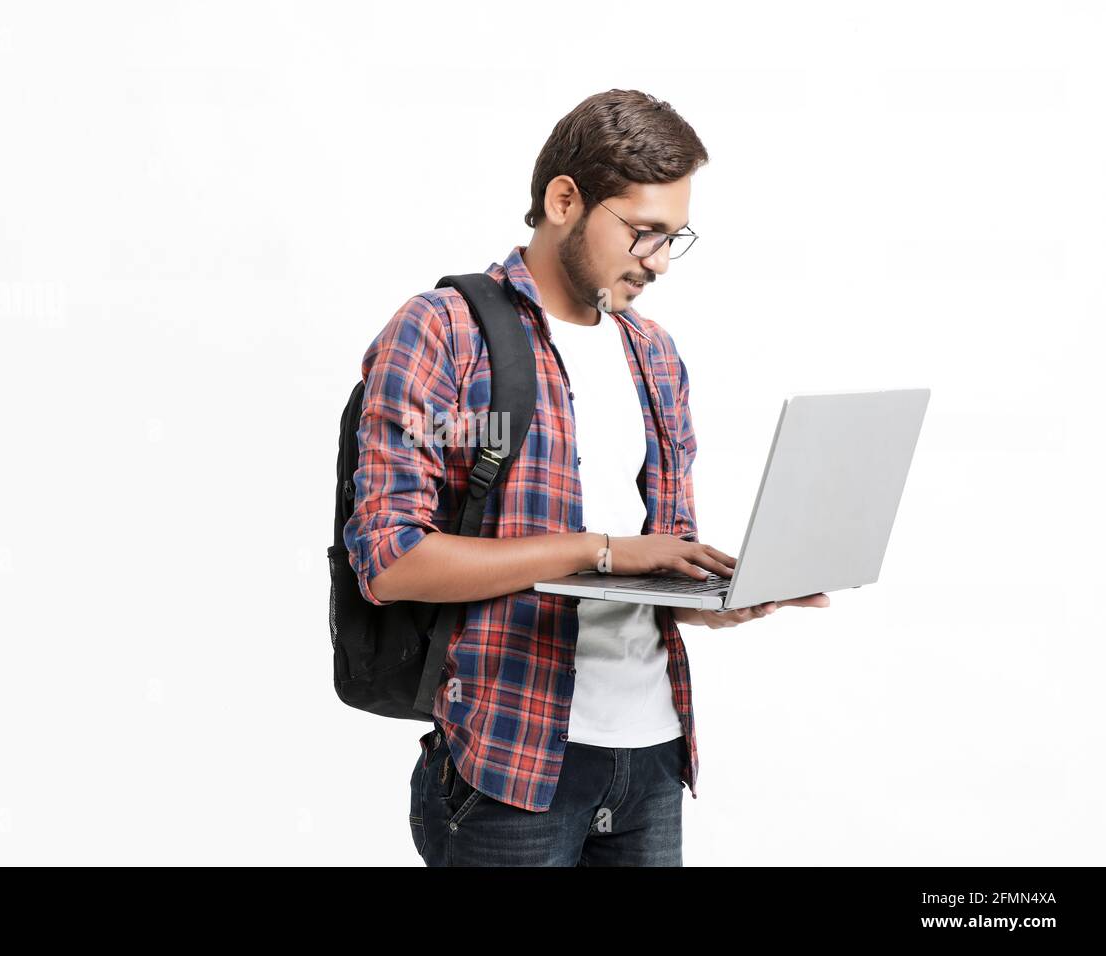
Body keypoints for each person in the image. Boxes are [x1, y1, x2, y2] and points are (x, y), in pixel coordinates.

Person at [342, 89, 829, 867]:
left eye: (674, 238)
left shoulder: (654, 354)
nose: (659, 261)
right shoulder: (442, 330)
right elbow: (390, 560)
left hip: (654, 754)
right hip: (508, 759)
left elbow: (649, 570)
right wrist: (600, 549)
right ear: (564, 200)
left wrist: (716, 601)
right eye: (644, 232)